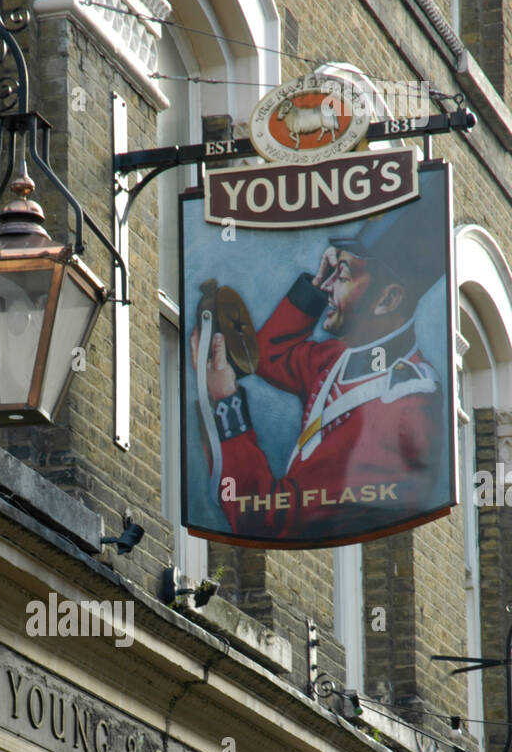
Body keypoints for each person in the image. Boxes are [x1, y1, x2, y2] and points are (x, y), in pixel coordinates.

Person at [190, 202, 446, 542]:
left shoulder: (403, 407)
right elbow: (268, 354)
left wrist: (226, 403)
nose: (327, 287)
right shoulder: (340, 357)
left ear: (388, 299)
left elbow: (267, 520)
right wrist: (317, 283)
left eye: (341, 277)